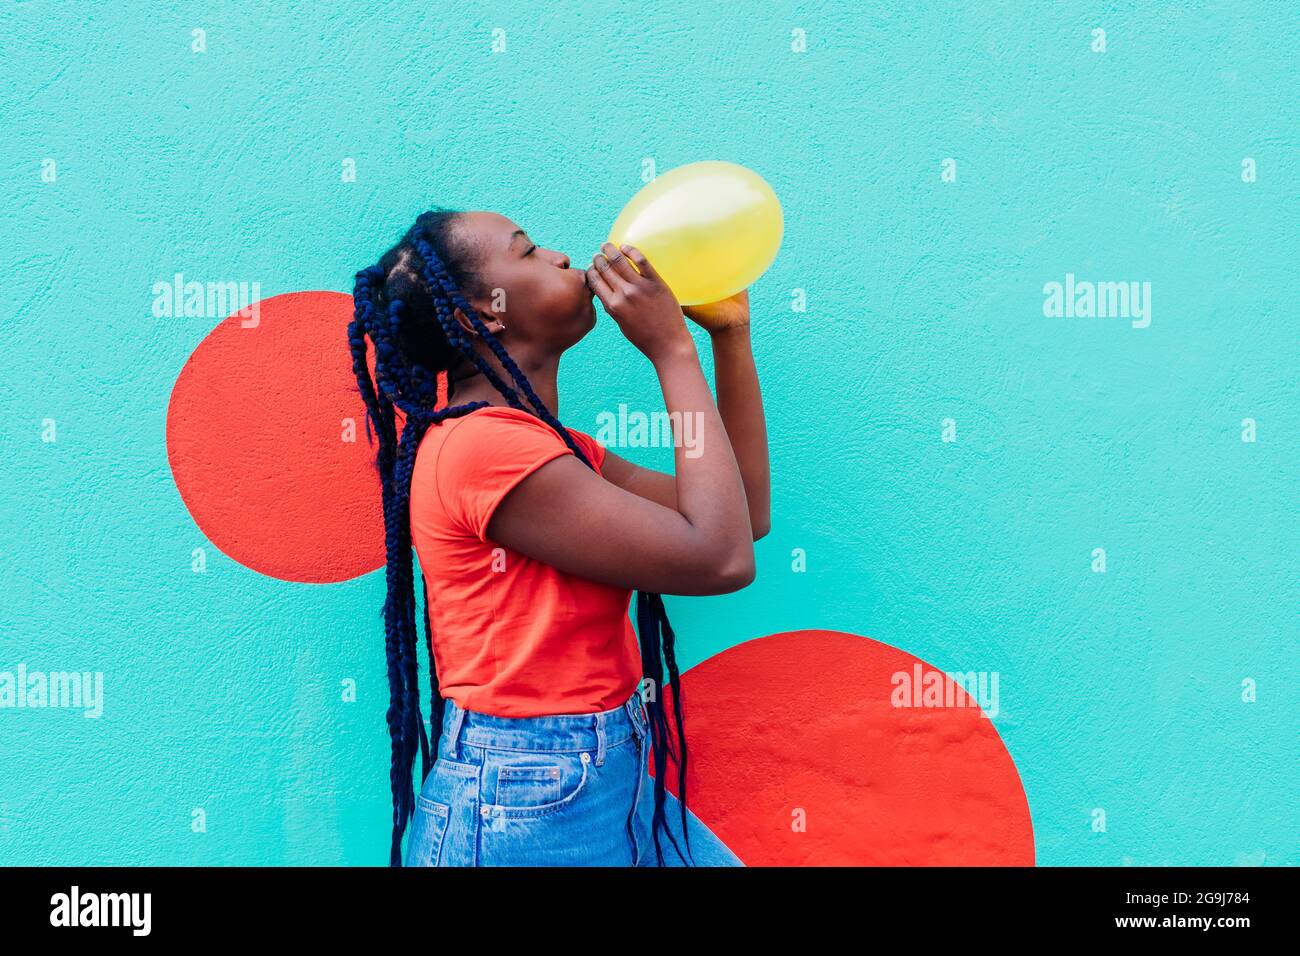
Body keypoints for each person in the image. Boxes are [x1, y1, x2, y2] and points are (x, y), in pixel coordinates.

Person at [347, 207, 769, 866]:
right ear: (480, 314)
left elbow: (739, 516)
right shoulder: (481, 449)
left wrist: (729, 336)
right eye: (529, 250)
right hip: (525, 795)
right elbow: (720, 559)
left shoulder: (555, 450)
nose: (562, 257)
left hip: (589, 775)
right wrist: (671, 351)